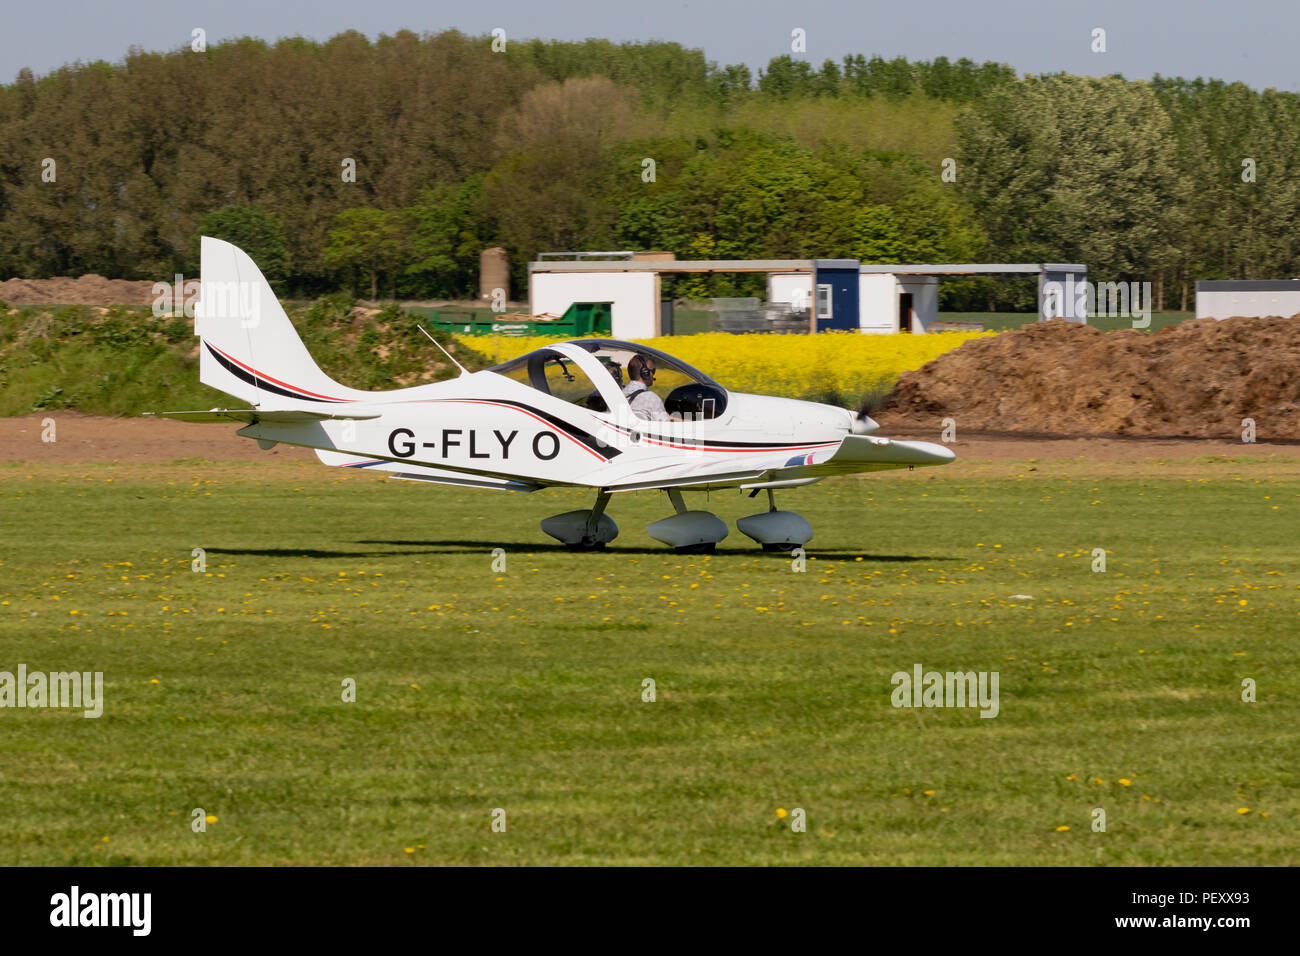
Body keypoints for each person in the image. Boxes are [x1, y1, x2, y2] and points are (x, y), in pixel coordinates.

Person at [623, 354, 669, 421]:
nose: (653, 375)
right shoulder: (650, 398)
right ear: (645, 373)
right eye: (653, 371)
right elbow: (667, 425)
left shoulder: (622, 392)